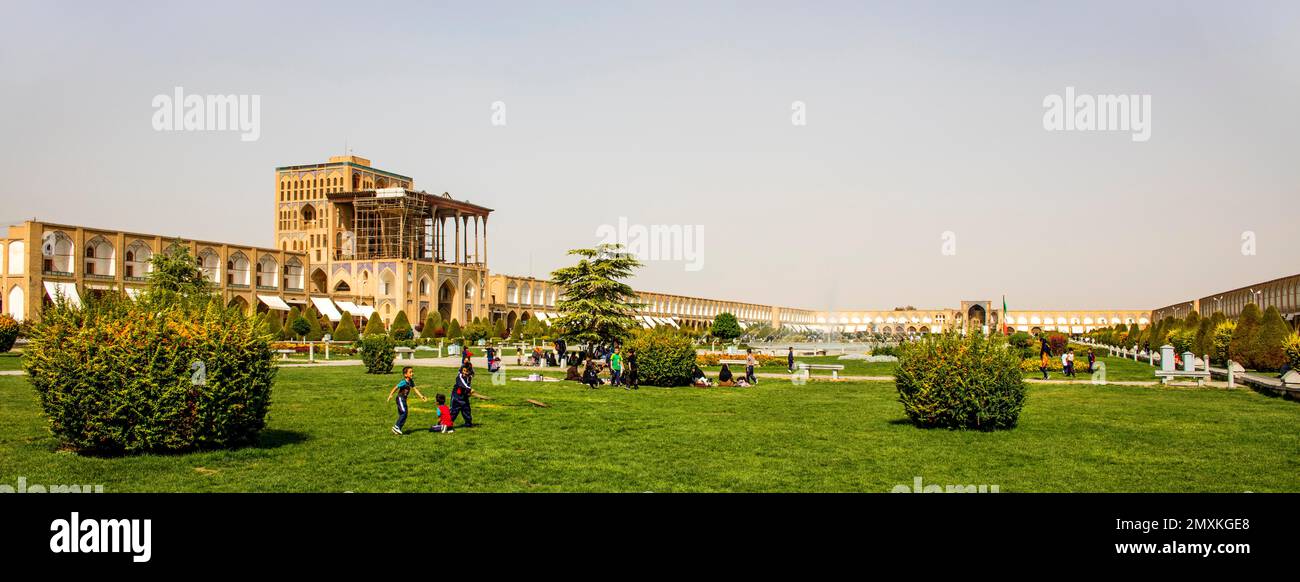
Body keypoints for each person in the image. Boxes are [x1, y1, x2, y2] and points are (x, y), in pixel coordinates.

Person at [386, 366, 427, 435]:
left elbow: (415, 389)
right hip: (400, 398)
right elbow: (396, 387)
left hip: (403, 400)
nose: (412, 373)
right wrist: (390, 395)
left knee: (404, 414)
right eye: (410, 372)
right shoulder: (403, 382)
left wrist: (421, 396)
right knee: (404, 413)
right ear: (405, 375)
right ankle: (396, 427)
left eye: (412, 372)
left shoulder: (411, 382)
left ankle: (397, 429)